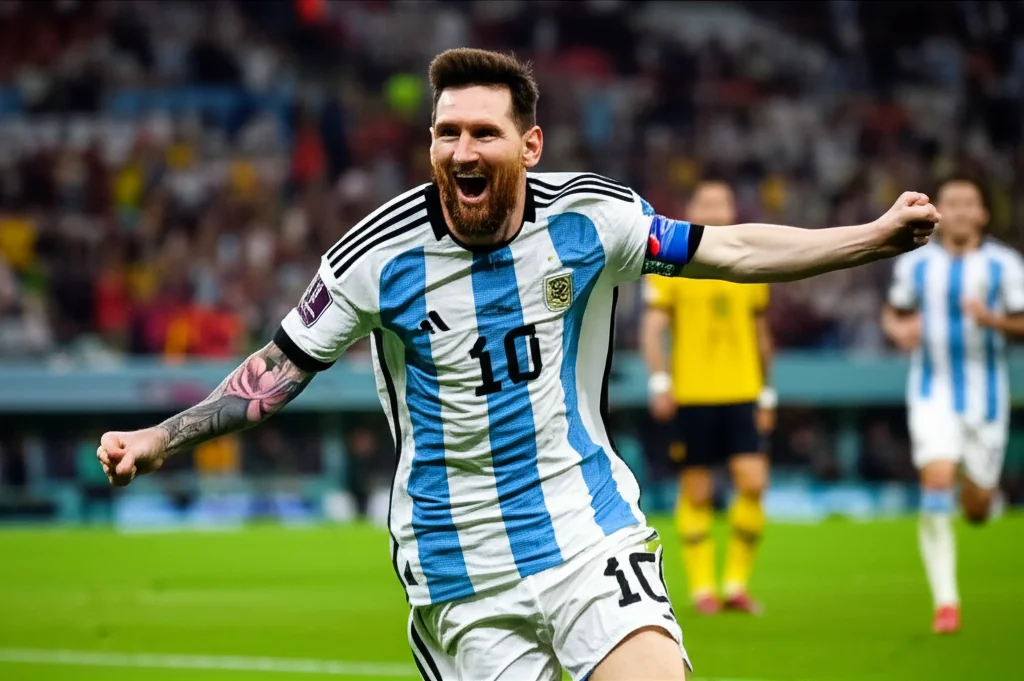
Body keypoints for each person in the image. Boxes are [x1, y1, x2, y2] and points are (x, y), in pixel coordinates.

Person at [97, 48, 939, 681]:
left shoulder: (592, 218)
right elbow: (276, 370)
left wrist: (870, 238)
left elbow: (735, 250)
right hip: (455, 560)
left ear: (529, 145)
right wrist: (160, 437)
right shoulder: (374, 257)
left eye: (483, 133)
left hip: (585, 521)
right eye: (446, 132)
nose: (462, 150)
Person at [882, 175, 1024, 636]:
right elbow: (893, 312)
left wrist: (992, 320)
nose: (961, 211)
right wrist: (899, 330)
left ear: (983, 213)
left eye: (969, 203)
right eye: (953, 203)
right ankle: (946, 602)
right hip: (932, 392)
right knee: (937, 480)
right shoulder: (916, 263)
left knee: (978, 508)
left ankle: (978, 493)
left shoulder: (1005, 265)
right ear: (939, 212)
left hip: (987, 399)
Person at [641, 178, 775, 616]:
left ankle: (735, 584)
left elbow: (761, 334)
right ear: (691, 210)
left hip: (743, 390)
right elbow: (652, 329)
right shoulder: (672, 263)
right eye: (706, 203)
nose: (715, 210)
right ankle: (703, 589)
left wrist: (767, 392)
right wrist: (660, 382)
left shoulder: (750, 264)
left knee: (753, 482)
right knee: (697, 490)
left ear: (733, 210)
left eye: (722, 202)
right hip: (693, 393)